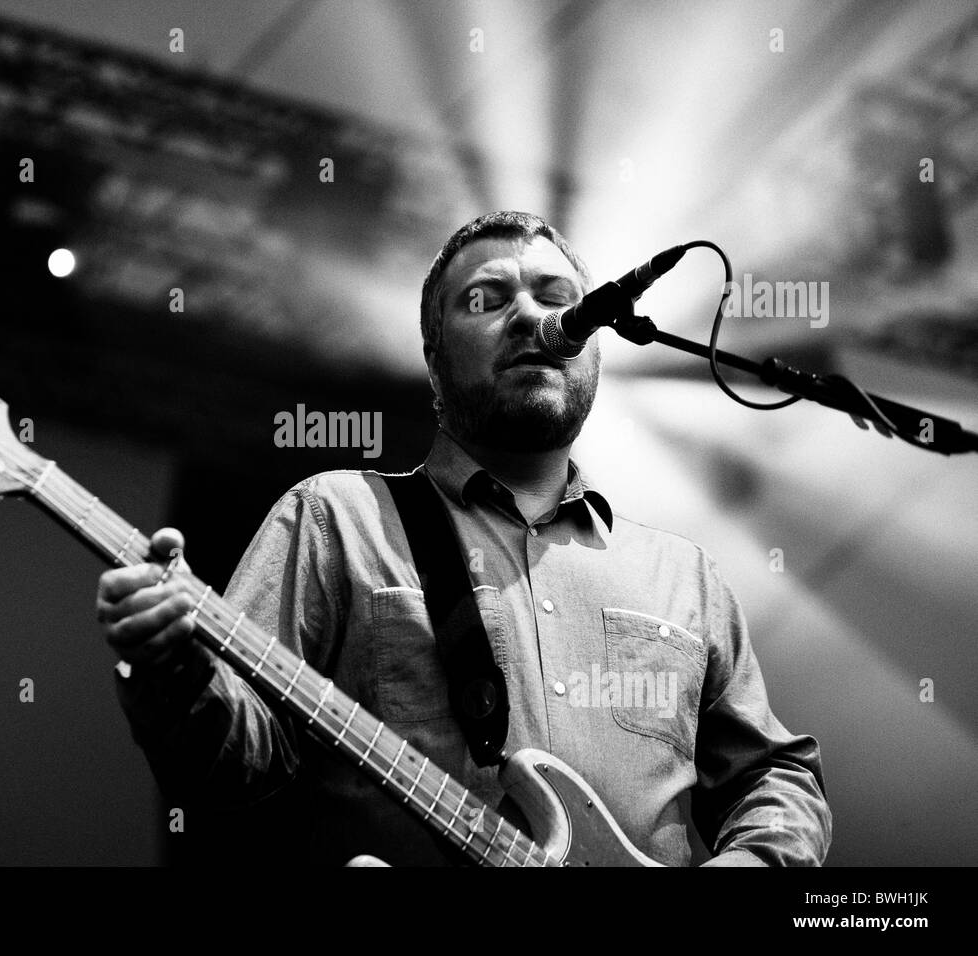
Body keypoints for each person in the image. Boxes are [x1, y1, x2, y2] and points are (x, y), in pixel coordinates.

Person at [96, 211, 832, 867]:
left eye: (554, 297)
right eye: (486, 298)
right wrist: (171, 671)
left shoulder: (685, 576)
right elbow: (238, 769)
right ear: (434, 355)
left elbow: (776, 774)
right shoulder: (337, 517)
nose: (528, 316)